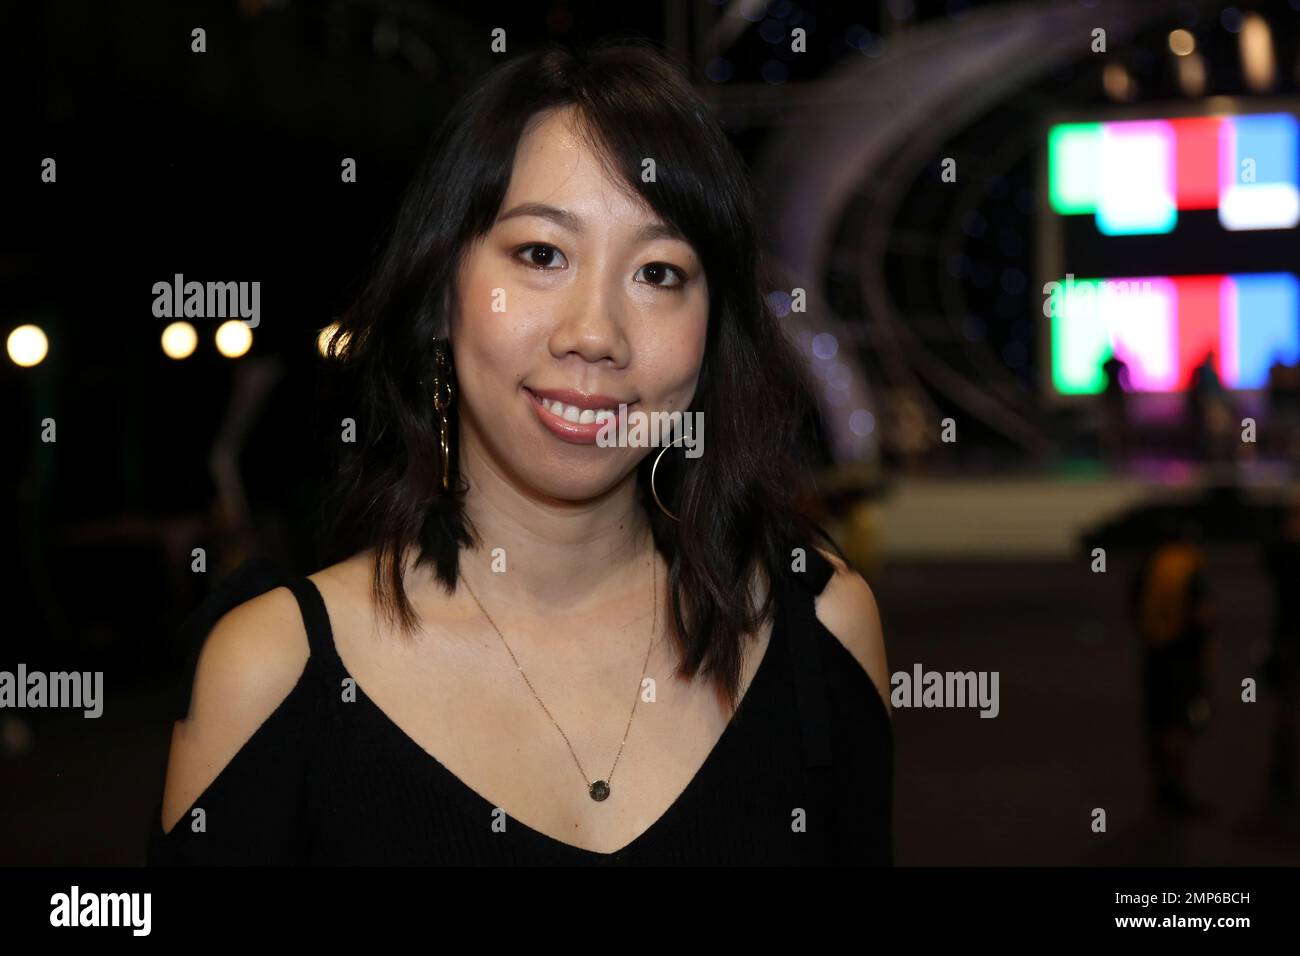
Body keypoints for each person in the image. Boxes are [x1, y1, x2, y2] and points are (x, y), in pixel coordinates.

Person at [147, 40, 893, 865]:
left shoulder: (818, 628)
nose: (595, 335)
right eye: (541, 255)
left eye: (658, 273)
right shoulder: (272, 670)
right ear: (442, 297)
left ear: (714, 334)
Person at [1130, 519, 1214, 817]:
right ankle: (1177, 789)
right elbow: (1202, 615)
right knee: (1179, 725)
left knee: (1157, 722)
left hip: (1155, 655)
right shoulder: (1190, 567)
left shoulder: (1151, 564)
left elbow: (1135, 609)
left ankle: (1161, 787)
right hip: (1183, 658)